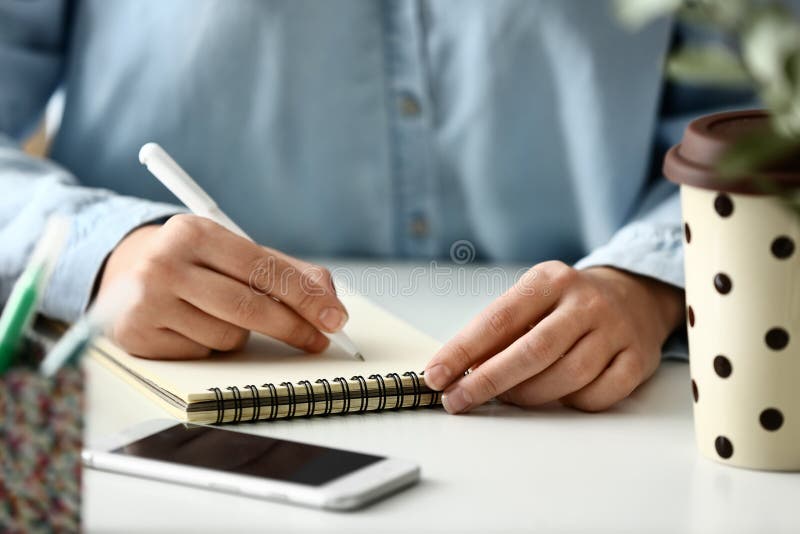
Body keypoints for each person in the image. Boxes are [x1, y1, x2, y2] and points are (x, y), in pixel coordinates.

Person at [0, 1, 752, 414]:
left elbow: (762, 122)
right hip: (145, 398)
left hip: (615, 399)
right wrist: (106, 250)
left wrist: (651, 281)